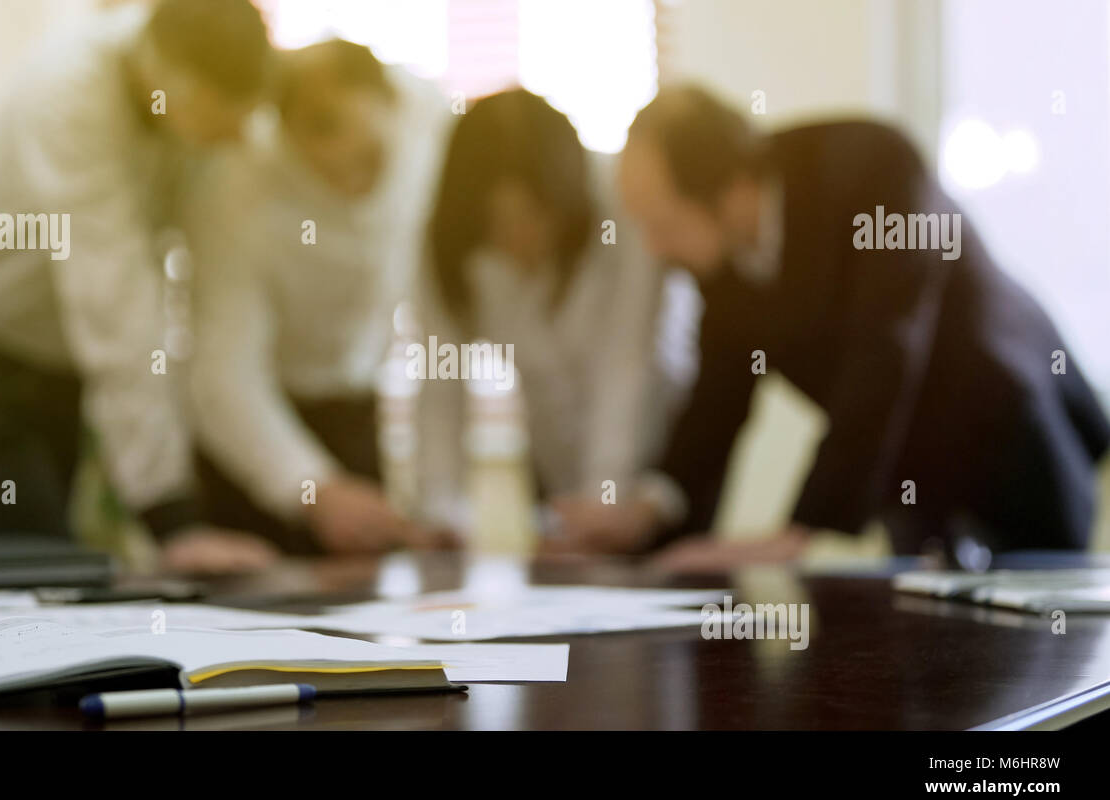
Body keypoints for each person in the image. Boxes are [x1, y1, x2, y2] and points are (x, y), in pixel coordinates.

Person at [607, 84, 1109, 572]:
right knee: (927, 639)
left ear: (734, 191)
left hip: (1009, 429)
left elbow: (884, 346)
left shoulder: (872, 166)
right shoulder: (724, 264)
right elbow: (718, 396)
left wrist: (795, 532)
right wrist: (651, 511)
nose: (655, 249)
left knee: (1041, 634)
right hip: (912, 480)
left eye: (664, 225)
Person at [0, 0, 277, 576]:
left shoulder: (197, 113)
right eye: (223, 118)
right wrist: (172, 520)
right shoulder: (68, 85)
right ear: (163, 71)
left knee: (59, 577)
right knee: (36, 579)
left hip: (54, 377)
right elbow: (114, 294)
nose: (237, 139)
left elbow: (206, 296)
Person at [184, 40, 451, 554]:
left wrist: (439, 499)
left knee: (366, 604)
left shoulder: (433, 130)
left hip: (355, 408)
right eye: (313, 131)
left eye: (338, 126)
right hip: (256, 426)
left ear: (389, 101)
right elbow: (226, 372)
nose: (336, 159)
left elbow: (441, 317)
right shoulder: (235, 189)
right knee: (250, 611)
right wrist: (311, 488)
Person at [415, 89, 698, 549]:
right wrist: (442, 512)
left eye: (532, 216)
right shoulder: (449, 244)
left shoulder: (621, 211)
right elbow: (439, 385)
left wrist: (604, 501)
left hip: (656, 466)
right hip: (555, 471)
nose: (518, 238)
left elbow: (624, 366)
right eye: (499, 221)